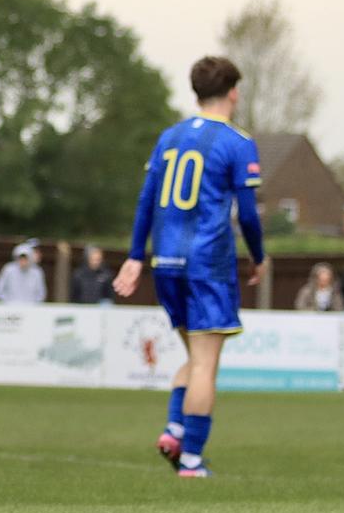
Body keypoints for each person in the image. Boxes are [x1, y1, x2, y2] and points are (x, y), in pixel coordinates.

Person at [113, 56, 265, 479]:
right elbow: (248, 215)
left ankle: (175, 428)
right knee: (204, 364)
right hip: (208, 263)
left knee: (194, 355)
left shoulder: (170, 137)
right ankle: (191, 460)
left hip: (166, 261)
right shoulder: (237, 142)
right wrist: (259, 256)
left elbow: (147, 200)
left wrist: (134, 256)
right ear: (233, 91)